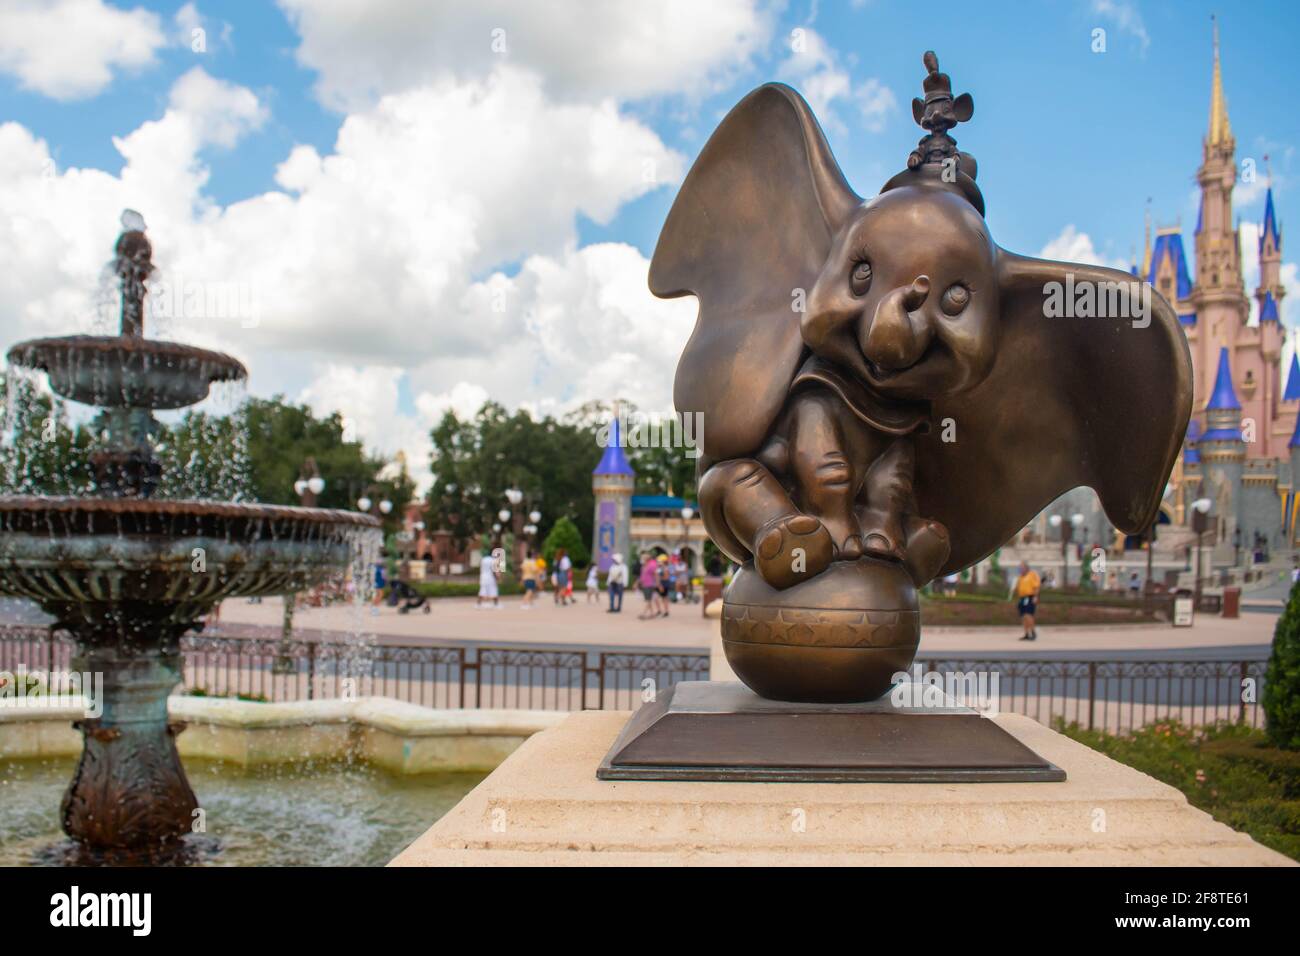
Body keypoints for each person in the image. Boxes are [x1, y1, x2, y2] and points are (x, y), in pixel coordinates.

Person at [1015, 561, 1040, 641]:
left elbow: (1036, 586)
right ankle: (1026, 633)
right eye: (1020, 567)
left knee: (1028, 615)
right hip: (1022, 598)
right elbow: (1019, 588)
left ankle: (1033, 632)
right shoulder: (1020, 577)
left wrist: (1035, 596)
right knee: (1023, 616)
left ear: (1026, 567)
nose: (1020, 569)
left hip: (1030, 597)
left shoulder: (1032, 575)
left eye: (1021, 567)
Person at [637, 552, 658, 619]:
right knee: (648, 600)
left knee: (648, 600)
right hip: (644, 585)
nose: (641, 559)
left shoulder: (651, 566)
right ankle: (652, 614)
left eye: (642, 558)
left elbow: (655, 574)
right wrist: (637, 583)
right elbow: (642, 576)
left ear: (646, 559)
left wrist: (657, 583)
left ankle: (644, 614)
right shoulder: (643, 566)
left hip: (649, 585)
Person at [655, 553, 671, 617]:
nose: (658, 562)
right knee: (656, 597)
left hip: (663, 585)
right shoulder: (660, 568)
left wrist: (658, 578)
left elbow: (666, 577)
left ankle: (666, 611)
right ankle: (660, 610)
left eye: (659, 561)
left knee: (664, 598)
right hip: (660, 584)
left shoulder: (665, 568)